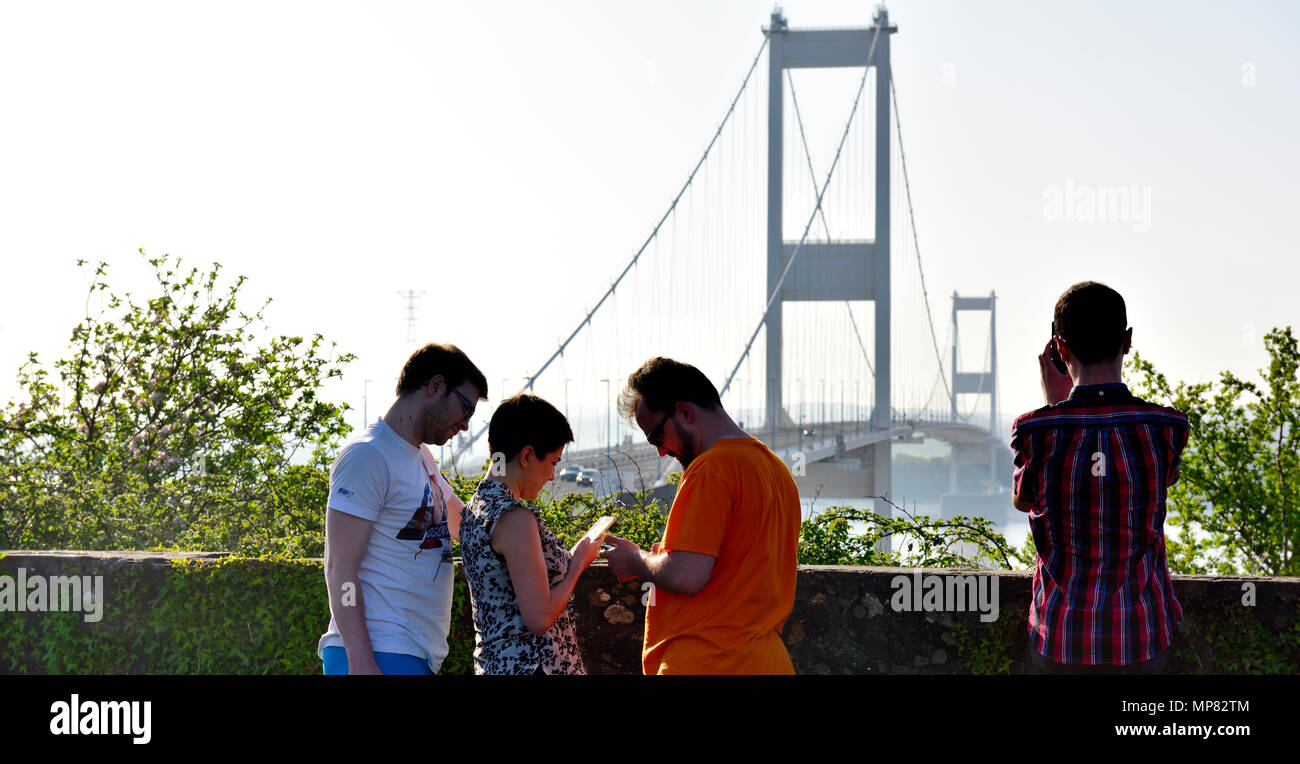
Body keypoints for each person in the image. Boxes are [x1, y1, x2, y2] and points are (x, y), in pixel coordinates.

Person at [1011, 282, 1189, 674]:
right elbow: (1158, 481)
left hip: (1059, 639)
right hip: (1142, 637)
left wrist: (1055, 407)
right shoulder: (1166, 428)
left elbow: (1024, 500)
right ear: (1127, 341)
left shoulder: (1037, 433)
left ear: (1059, 349)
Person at [601, 357, 800, 674]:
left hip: (709, 660)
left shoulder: (711, 470)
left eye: (657, 437)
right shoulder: (775, 469)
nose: (661, 452)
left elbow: (686, 575)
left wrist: (637, 560)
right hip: (768, 661)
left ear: (683, 412)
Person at [317, 343, 488, 675]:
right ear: (435, 386)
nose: (465, 425)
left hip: (408, 654)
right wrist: (361, 661)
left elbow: (465, 526)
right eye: (465, 408)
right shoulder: (368, 456)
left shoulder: (421, 457)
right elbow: (340, 568)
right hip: (378, 653)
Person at [459, 394, 600, 674]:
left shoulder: (474, 509)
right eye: (553, 462)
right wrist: (577, 567)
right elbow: (538, 618)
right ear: (526, 456)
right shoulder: (515, 518)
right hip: (534, 667)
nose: (551, 476)